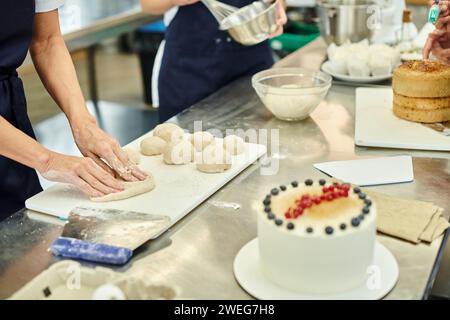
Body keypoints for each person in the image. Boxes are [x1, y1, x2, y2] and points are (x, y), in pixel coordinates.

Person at [0, 0, 146, 221]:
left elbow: (47, 41)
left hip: (8, 112)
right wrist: (47, 161)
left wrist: (83, 123)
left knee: (18, 227)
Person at [140, 0, 287, 122]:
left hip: (253, 63)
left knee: (260, 143)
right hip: (190, 71)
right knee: (186, 151)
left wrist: (277, 7)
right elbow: (148, 4)